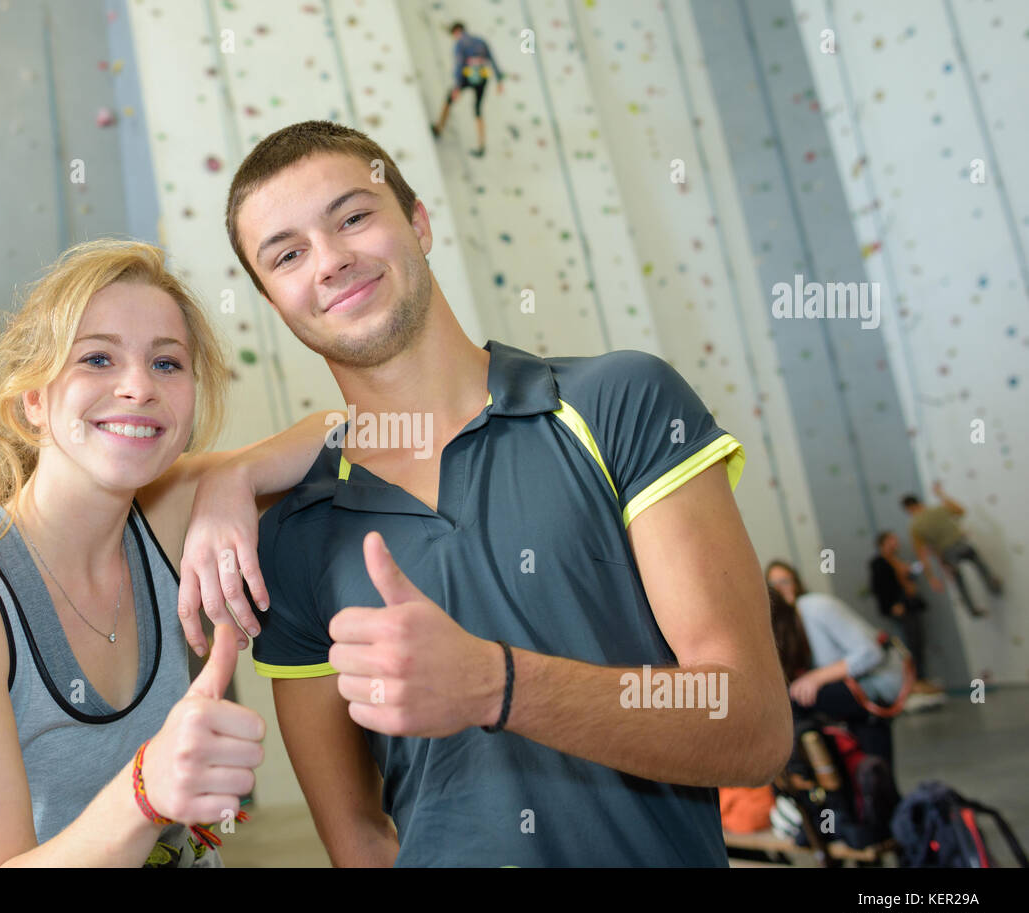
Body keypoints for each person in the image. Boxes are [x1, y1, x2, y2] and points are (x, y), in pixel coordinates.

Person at [223, 120, 791, 866]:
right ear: (274, 302)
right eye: (288, 254)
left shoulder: (618, 403)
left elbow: (749, 723)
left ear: (418, 222)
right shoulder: (294, 535)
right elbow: (358, 840)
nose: (329, 261)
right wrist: (222, 476)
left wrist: (497, 683)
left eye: (353, 216)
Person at [0, 239, 335, 867]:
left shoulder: (165, 516)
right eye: (98, 358)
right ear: (33, 402)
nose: (138, 386)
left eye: (167, 363)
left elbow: (346, 429)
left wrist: (233, 479)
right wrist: (146, 790)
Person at [765, 560, 927, 763]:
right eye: (773, 584)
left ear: (796, 583)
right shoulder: (790, 624)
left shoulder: (815, 606)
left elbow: (871, 653)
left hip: (879, 682)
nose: (779, 589)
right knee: (874, 770)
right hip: (857, 690)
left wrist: (815, 678)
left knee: (794, 703)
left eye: (785, 581)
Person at [902, 482, 1003, 618]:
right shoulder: (938, 510)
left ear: (908, 509)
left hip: (947, 554)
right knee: (976, 559)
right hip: (961, 544)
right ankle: (992, 583)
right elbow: (961, 511)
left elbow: (922, 555)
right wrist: (940, 495)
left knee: (959, 581)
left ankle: (972, 609)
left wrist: (932, 578)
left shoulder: (915, 527)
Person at [869, 530, 942, 693]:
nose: (896, 543)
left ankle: (921, 679)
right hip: (898, 607)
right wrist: (892, 604)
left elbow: (909, 579)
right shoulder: (879, 563)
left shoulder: (898, 561)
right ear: (883, 544)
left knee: (917, 642)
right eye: (891, 540)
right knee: (907, 644)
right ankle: (911, 682)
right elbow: (879, 586)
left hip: (910, 604)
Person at [430, 21, 504, 157]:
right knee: (477, 109)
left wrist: (457, 87)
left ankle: (439, 128)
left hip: (467, 76)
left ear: (457, 31)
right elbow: (492, 60)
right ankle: (481, 145)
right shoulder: (481, 41)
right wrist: (499, 80)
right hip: (482, 76)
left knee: (449, 99)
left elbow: (459, 66)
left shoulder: (460, 44)